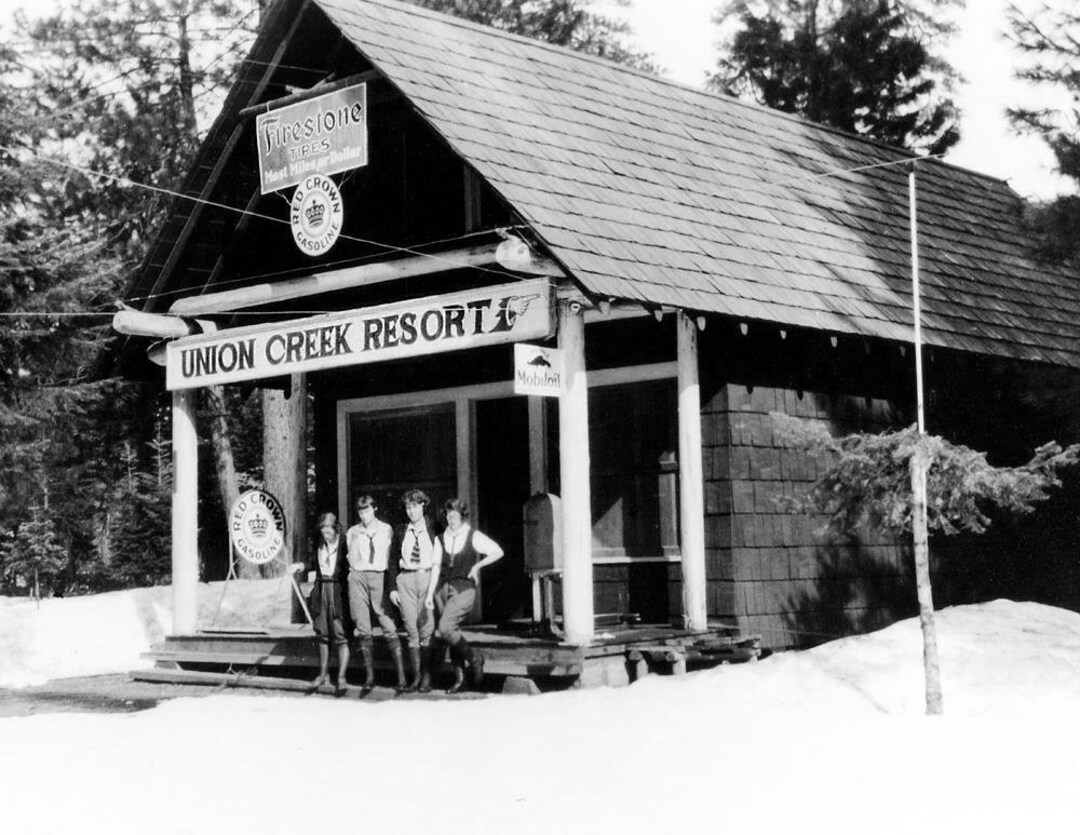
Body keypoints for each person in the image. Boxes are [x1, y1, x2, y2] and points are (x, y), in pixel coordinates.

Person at [430, 497, 504, 692]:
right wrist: (430, 594)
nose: (451, 518)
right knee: (452, 632)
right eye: (448, 515)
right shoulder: (440, 538)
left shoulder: (473, 535)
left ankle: (474, 658)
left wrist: (477, 566)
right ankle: (460, 680)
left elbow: (498, 551)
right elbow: (435, 567)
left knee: (445, 628)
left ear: (462, 516)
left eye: (455, 515)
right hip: (442, 590)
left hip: (464, 588)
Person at [345, 495, 406, 690]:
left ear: (375, 509)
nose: (364, 515)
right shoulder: (353, 531)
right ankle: (369, 677)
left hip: (379, 576)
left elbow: (392, 557)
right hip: (358, 577)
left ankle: (402, 677)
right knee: (363, 627)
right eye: (361, 512)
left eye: (367, 510)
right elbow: (350, 556)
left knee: (387, 622)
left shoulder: (386, 529)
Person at [291, 512, 350, 695]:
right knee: (322, 634)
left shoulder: (344, 542)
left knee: (340, 634)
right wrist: (301, 566)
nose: (326, 532)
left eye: (329, 529)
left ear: (336, 528)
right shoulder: (320, 543)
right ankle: (323, 674)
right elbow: (313, 564)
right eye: (323, 529)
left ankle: (341, 677)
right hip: (321, 589)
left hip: (338, 590)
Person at [391, 490, 442, 692]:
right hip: (406, 580)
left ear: (423, 506)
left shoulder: (433, 527)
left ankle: (427, 678)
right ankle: (417, 677)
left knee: (426, 629)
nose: (411, 511)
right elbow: (392, 559)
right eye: (408, 507)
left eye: (415, 506)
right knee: (411, 630)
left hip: (427, 578)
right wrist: (393, 588)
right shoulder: (401, 529)